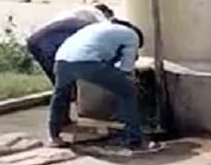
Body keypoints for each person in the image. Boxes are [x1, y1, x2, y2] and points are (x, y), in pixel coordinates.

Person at [48, 19, 159, 153]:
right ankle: (135, 141)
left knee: (60, 95)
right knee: (127, 92)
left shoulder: (98, 28)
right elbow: (126, 70)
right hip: (87, 62)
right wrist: (130, 82)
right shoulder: (132, 36)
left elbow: (102, 54)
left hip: (61, 60)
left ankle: (54, 136)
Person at [27, 3, 115, 83]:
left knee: (59, 79)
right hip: (60, 35)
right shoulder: (97, 14)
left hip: (35, 40)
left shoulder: (74, 12)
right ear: (106, 13)